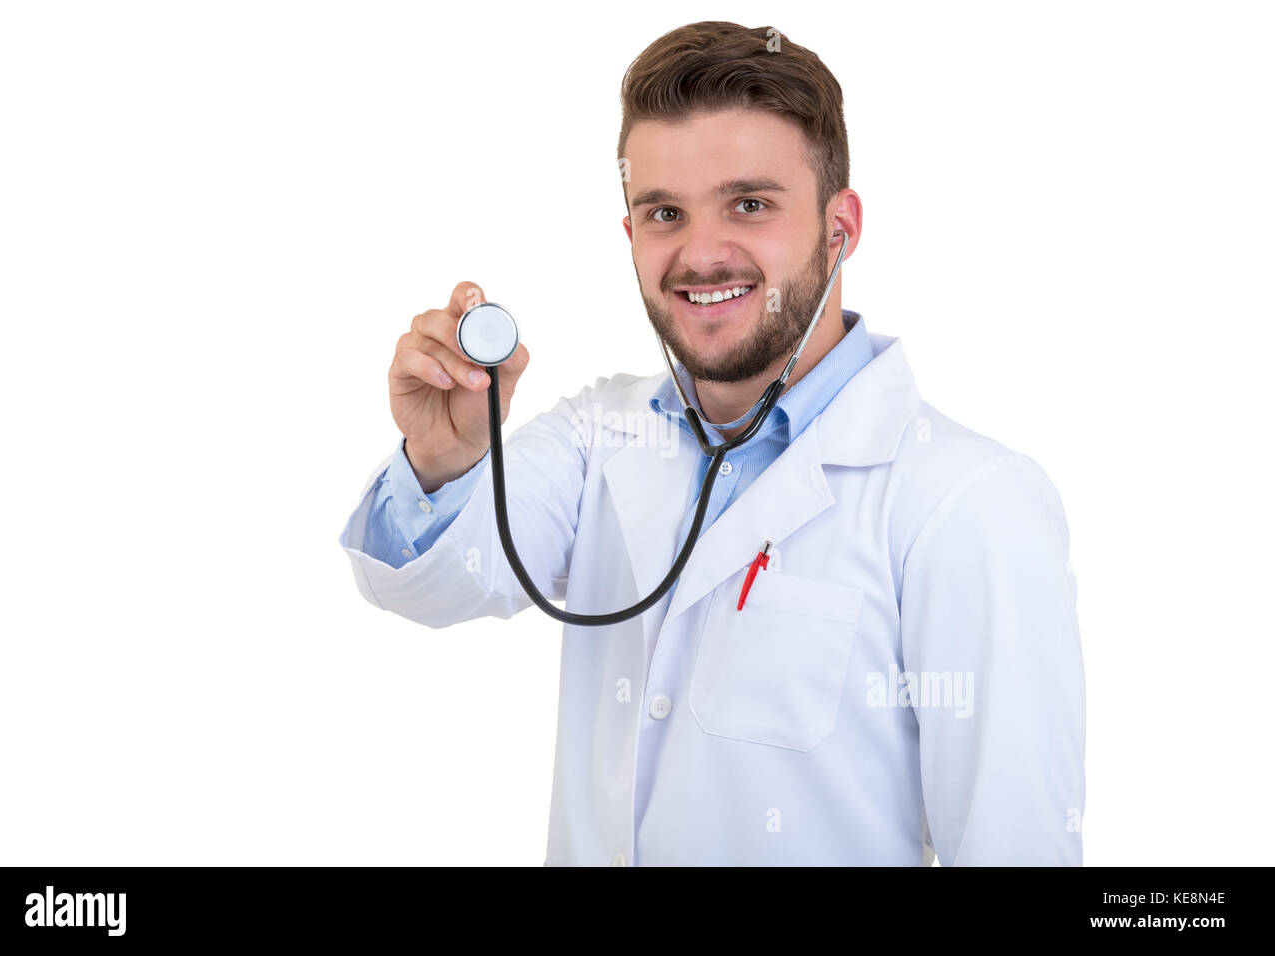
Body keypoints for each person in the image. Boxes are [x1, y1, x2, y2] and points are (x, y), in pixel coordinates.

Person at [338, 20, 1085, 866]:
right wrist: (445, 455)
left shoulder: (966, 500)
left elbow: (1016, 846)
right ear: (629, 235)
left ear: (841, 228)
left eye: (750, 204)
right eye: (665, 213)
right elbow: (432, 589)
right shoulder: (597, 438)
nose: (700, 253)